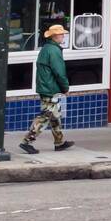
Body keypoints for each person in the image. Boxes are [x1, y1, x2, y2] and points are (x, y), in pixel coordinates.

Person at [19, 23, 75, 155]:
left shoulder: (47, 48)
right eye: (61, 34)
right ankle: (26, 142)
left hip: (46, 86)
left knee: (55, 116)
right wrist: (65, 87)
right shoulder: (54, 51)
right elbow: (59, 72)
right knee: (45, 116)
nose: (63, 36)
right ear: (55, 36)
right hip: (50, 88)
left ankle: (59, 142)